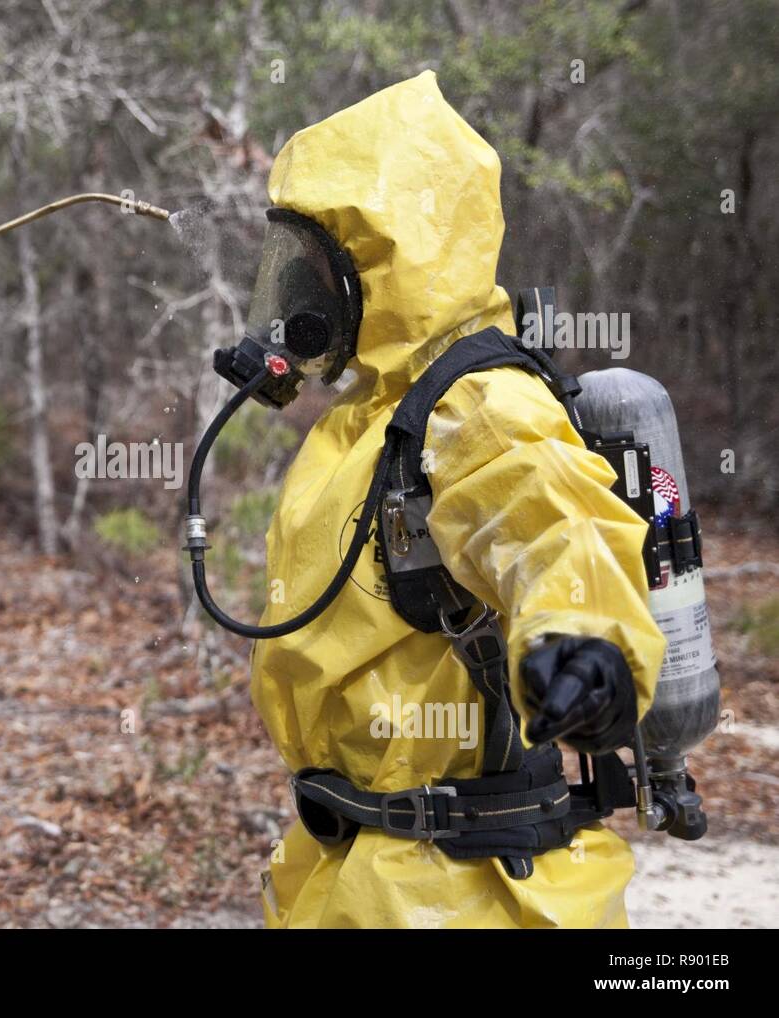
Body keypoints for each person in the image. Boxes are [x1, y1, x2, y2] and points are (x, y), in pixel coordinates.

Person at [248, 72, 667, 927]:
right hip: (359, 869)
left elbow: (557, 523)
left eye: (318, 267)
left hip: (460, 888)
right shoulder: (375, 409)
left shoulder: (476, 404)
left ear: (385, 263)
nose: (301, 293)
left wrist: (583, 645)